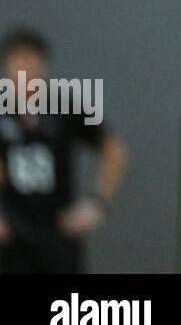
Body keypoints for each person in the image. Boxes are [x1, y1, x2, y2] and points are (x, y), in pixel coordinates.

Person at [0, 25, 128, 274]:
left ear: (43, 63)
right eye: (18, 59)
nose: (25, 67)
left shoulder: (65, 107)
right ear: (7, 65)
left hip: (58, 231)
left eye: (31, 58)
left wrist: (96, 203)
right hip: (12, 233)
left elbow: (114, 151)